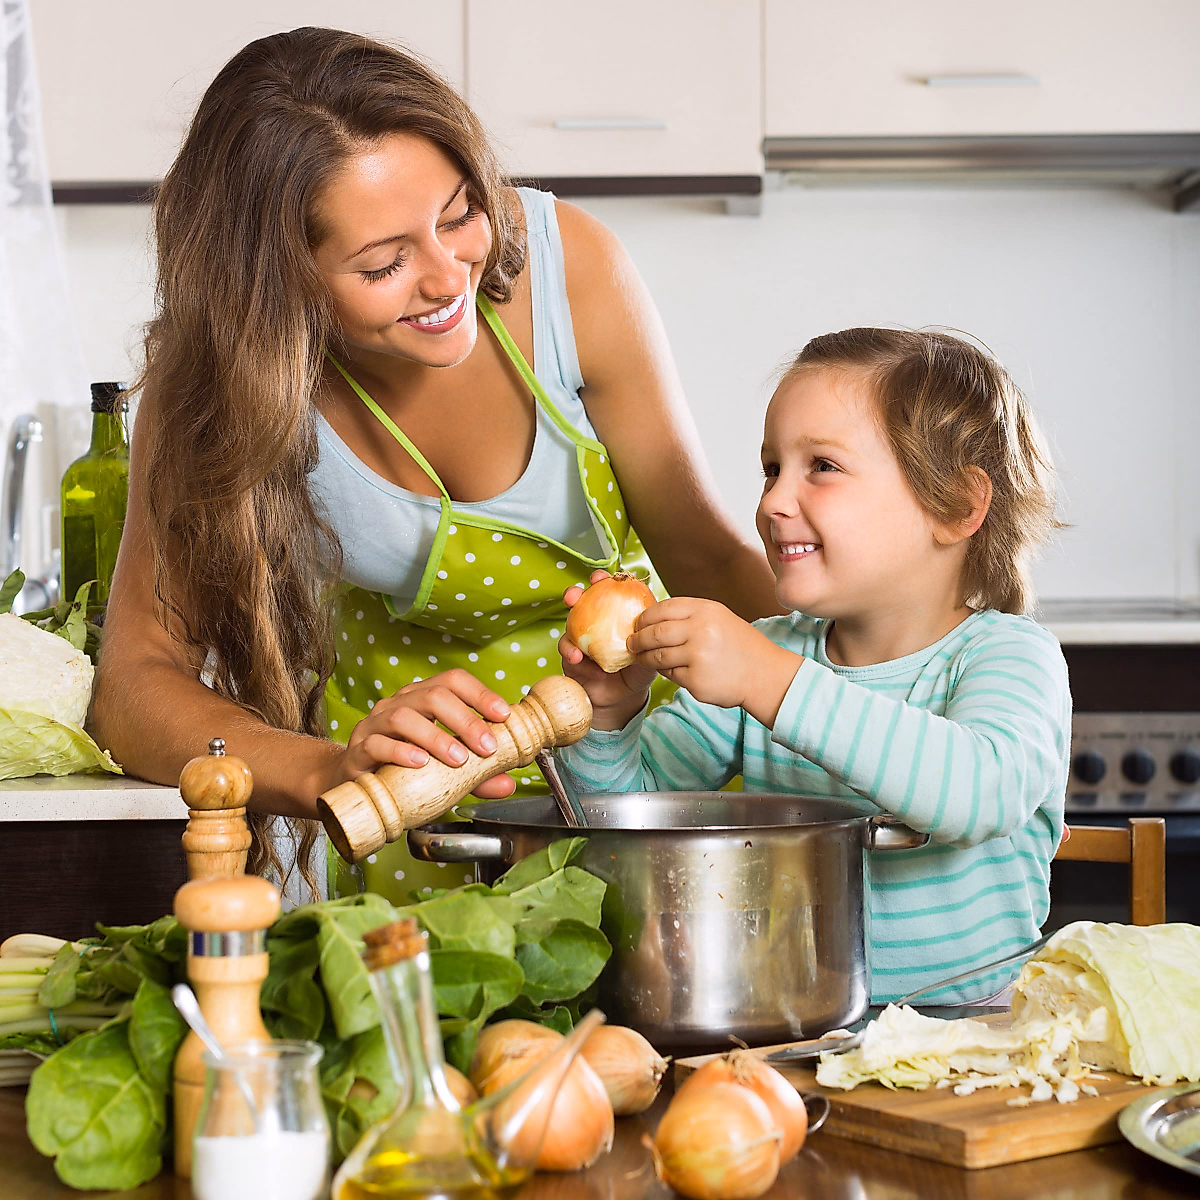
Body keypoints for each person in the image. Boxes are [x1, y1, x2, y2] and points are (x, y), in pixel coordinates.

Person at [90, 27, 778, 901]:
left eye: (458, 214)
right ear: (276, 286)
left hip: (639, 790)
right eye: (384, 263)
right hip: (417, 827)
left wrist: (890, 699)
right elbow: (135, 684)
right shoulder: (219, 384)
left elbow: (711, 560)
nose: (450, 276)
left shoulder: (569, 273)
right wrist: (330, 769)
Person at [557, 327, 1070, 1003]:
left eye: (821, 467)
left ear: (955, 505)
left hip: (980, 1041)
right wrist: (609, 716)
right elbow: (618, 825)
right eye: (772, 468)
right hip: (796, 1030)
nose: (773, 501)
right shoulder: (770, 654)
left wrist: (770, 681)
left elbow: (977, 793)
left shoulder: (1006, 655)